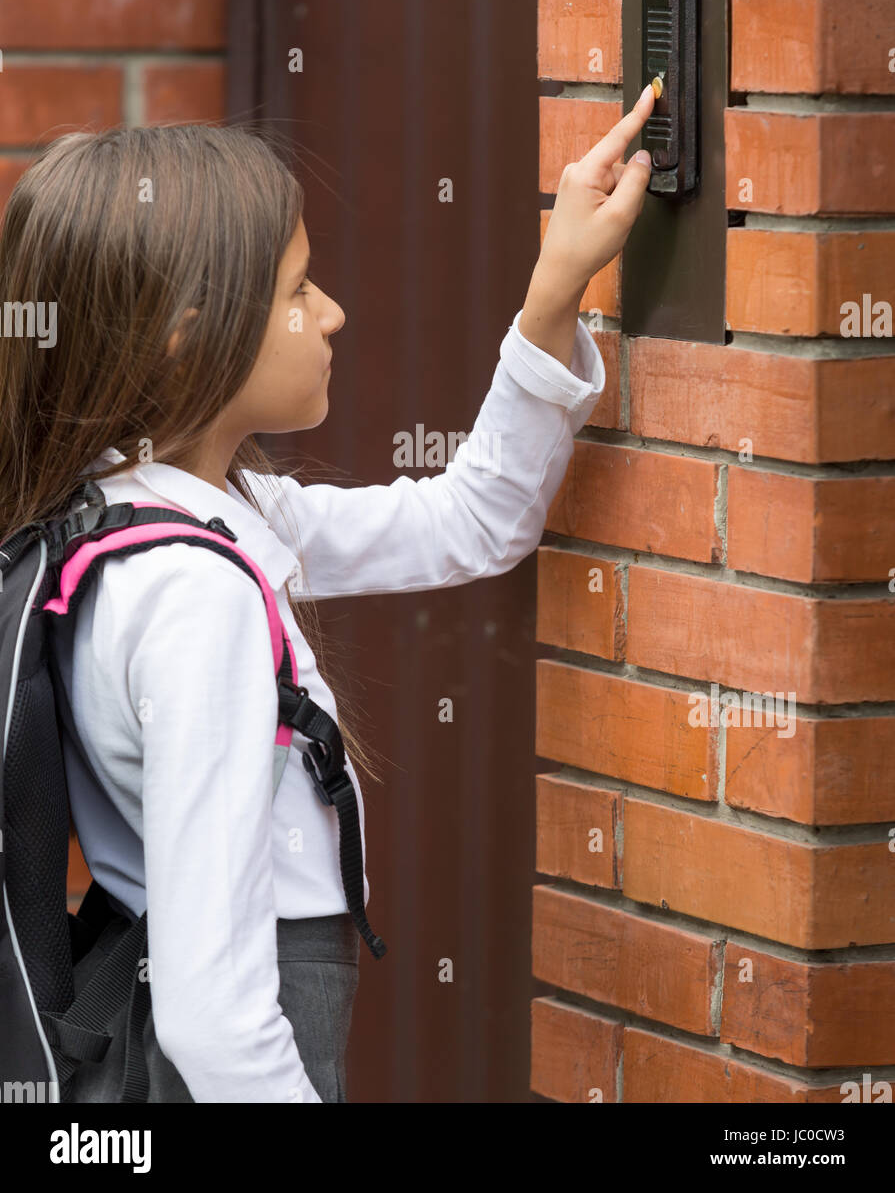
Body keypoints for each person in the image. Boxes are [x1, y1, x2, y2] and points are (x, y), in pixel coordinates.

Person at [0, 85, 656, 1103]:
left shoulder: (137, 516)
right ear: (187, 336)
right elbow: (213, 1017)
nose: (334, 313)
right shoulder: (191, 593)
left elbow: (470, 522)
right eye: (298, 291)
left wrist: (552, 295)